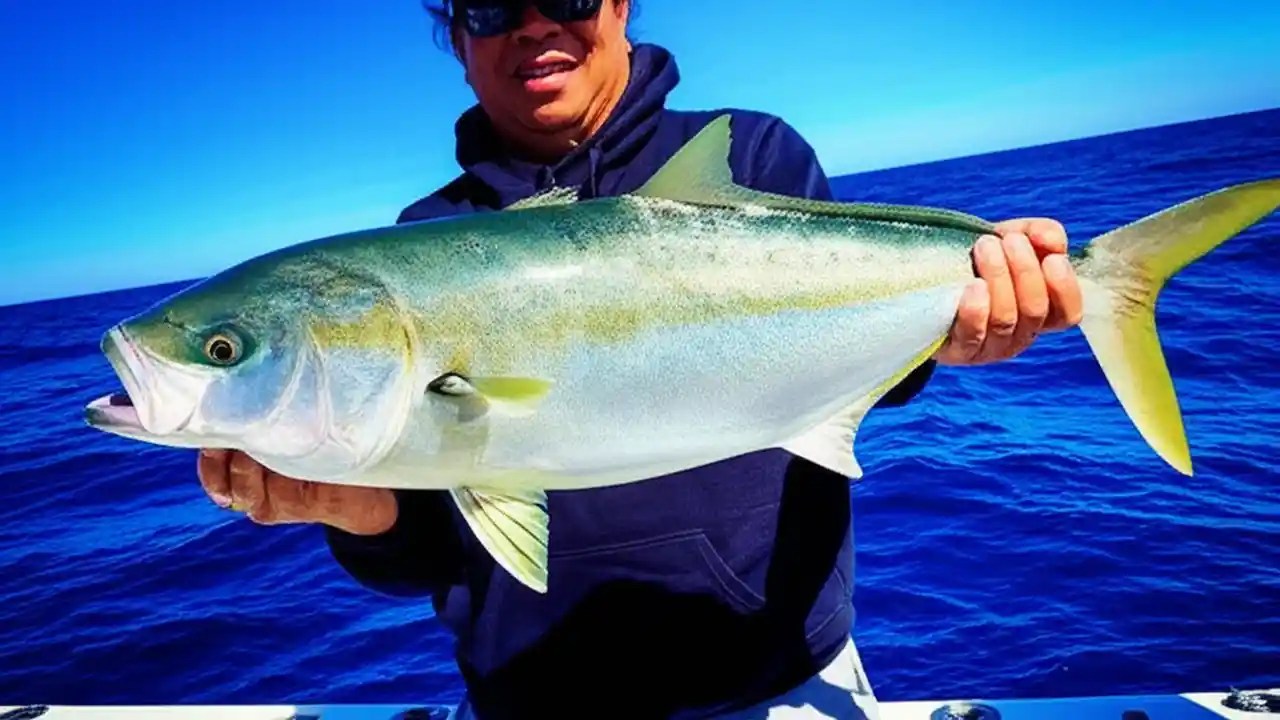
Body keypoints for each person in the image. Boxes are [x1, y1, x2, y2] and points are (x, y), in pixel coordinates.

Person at [196, 1, 1084, 718]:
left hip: (779, 686)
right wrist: (359, 510)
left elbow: (839, 361)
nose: (535, 24)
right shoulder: (424, 243)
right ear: (459, 41)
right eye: (492, 6)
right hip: (531, 703)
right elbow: (431, 549)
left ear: (622, 7)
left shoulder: (755, 156)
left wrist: (955, 328)